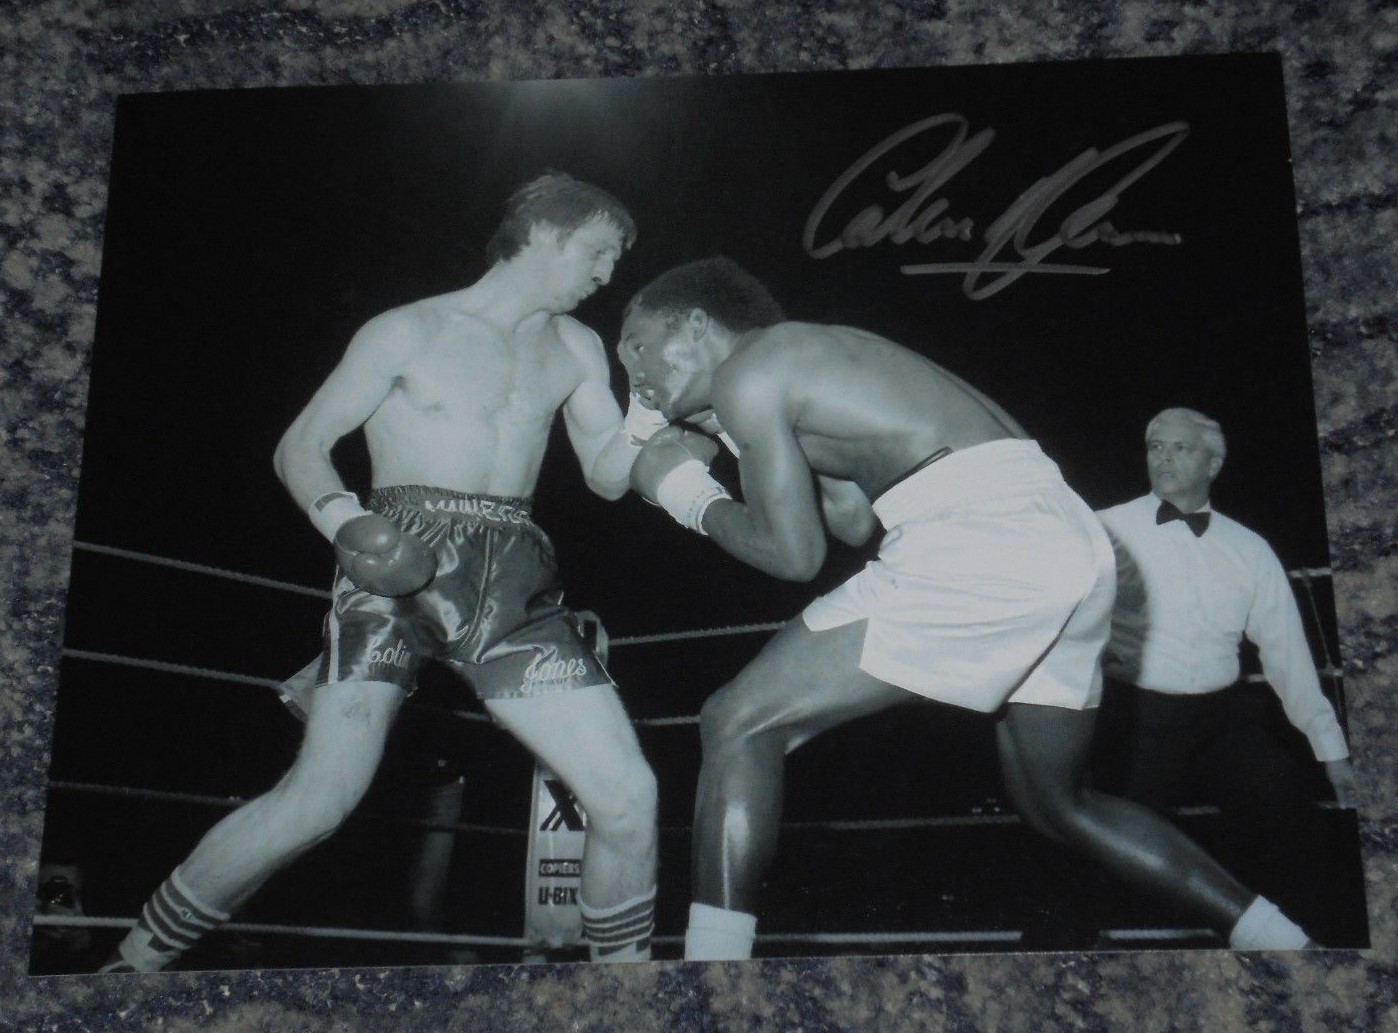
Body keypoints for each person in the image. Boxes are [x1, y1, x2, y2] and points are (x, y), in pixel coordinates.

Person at [617, 256, 1320, 960]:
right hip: (1069, 539)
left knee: (737, 720)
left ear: (697, 323)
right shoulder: (814, 358)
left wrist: (684, 490)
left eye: (638, 347)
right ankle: (1285, 944)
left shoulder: (751, 368)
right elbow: (854, 522)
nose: (635, 380)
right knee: (1060, 805)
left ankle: (709, 979)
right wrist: (742, 441)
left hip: (982, 537)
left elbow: (794, 556)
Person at [102, 173, 664, 972]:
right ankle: (130, 965)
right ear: (543, 232)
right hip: (398, 563)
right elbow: (300, 445)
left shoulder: (577, 349)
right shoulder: (406, 331)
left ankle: (630, 994)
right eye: (599, 250)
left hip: (515, 580)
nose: (608, 273)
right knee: (318, 801)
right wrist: (347, 521)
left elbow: (608, 475)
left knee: (628, 796)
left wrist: (654, 408)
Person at [1090, 408, 1354, 925]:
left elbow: (1288, 658)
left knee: (1291, 814)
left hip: (1222, 719)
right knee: (1106, 852)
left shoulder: (1250, 549)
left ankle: (1305, 948)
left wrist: (1332, 752)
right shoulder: (1105, 529)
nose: (1163, 457)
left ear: (1213, 463)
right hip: (1137, 719)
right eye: (1155, 446)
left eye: (1180, 448)